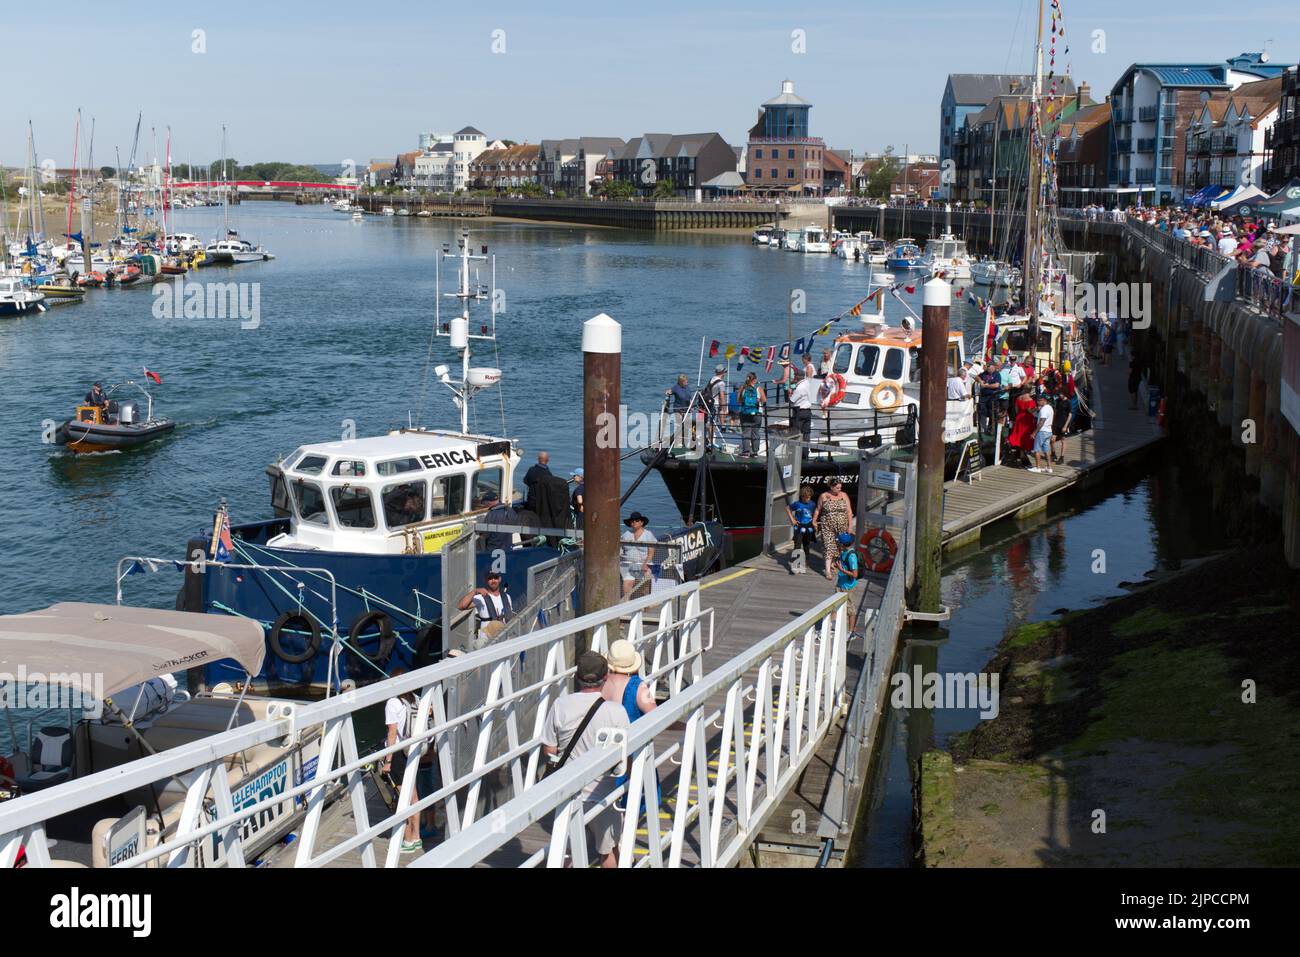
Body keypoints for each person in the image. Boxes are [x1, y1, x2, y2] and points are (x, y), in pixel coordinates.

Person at [540, 651, 630, 869]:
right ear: (606, 677)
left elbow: (549, 749)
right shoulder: (616, 711)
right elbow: (626, 754)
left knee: (568, 853)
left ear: (577, 677)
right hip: (602, 792)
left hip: (569, 792)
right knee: (608, 851)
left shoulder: (560, 705)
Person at [382, 671, 424, 854]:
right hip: (413, 749)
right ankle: (417, 837)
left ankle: (407, 839)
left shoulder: (393, 702)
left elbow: (392, 732)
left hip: (399, 752)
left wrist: (387, 760)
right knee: (413, 796)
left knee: (403, 798)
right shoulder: (415, 698)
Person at [812, 479, 853, 582]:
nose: (839, 489)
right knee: (828, 546)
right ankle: (827, 571)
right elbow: (818, 509)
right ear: (831, 487)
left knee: (839, 546)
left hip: (842, 526)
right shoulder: (824, 496)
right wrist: (814, 521)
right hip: (827, 526)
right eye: (837, 487)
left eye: (840, 487)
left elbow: (849, 511)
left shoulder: (844, 495)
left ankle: (835, 563)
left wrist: (850, 526)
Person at [457, 571, 513, 640]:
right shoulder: (480, 597)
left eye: (495, 578)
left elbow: (510, 616)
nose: (493, 580)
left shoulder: (507, 597)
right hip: (486, 638)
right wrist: (475, 591)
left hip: (504, 636)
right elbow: (461, 606)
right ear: (486, 580)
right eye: (490, 578)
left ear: (499, 579)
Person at [620, 512, 657, 597]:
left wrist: (646, 564)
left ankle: (646, 610)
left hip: (644, 567)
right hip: (628, 567)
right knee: (626, 591)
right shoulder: (626, 534)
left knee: (645, 593)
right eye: (632, 521)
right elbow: (620, 548)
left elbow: (651, 553)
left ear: (641, 522)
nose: (634, 522)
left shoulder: (648, 534)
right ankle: (627, 609)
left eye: (637, 520)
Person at [786, 485, 816, 572]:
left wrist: (814, 524)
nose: (807, 499)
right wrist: (792, 519)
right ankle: (796, 563)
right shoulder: (797, 504)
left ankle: (806, 561)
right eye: (806, 497)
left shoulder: (812, 504)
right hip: (798, 527)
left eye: (809, 497)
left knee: (806, 544)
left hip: (808, 527)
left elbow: (815, 514)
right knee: (797, 545)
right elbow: (787, 508)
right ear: (802, 496)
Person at [738, 372, 765, 458]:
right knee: (755, 432)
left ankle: (746, 452)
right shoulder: (758, 388)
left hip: (745, 413)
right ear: (755, 380)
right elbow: (764, 400)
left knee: (746, 432)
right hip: (757, 413)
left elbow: (738, 400)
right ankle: (755, 452)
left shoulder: (743, 388)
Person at [666, 374, 694, 447]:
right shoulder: (676, 387)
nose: (687, 382)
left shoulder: (687, 387)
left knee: (687, 427)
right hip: (678, 409)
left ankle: (685, 442)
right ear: (681, 382)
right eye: (685, 381)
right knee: (679, 426)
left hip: (687, 409)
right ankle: (678, 442)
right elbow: (669, 391)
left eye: (687, 381)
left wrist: (691, 405)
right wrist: (668, 393)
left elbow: (690, 397)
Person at [1029, 393, 1054, 473]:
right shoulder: (1050, 408)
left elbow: (1041, 422)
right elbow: (1032, 411)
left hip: (1042, 431)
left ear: (1044, 400)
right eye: (1037, 400)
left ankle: (1038, 467)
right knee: (1046, 450)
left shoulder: (1044, 410)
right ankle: (1049, 468)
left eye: (1039, 400)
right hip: (1049, 431)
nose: (1038, 402)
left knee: (1036, 450)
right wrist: (1036, 409)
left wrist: (1034, 433)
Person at [789, 372, 817, 442]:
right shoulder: (807, 383)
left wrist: (790, 392)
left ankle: (798, 451)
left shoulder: (799, 388)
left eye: (795, 376)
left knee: (797, 432)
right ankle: (805, 451)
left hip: (799, 411)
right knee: (806, 433)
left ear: (797, 377)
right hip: (808, 411)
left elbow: (792, 400)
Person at [705, 364, 727, 448]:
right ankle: (711, 442)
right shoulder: (721, 383)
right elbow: (722, 396)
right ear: (722, 372)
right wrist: (724, 408)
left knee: (709, 422)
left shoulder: (712, 379)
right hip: (715, 404)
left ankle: (707, 439)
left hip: (708, 403)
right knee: (713, 423)